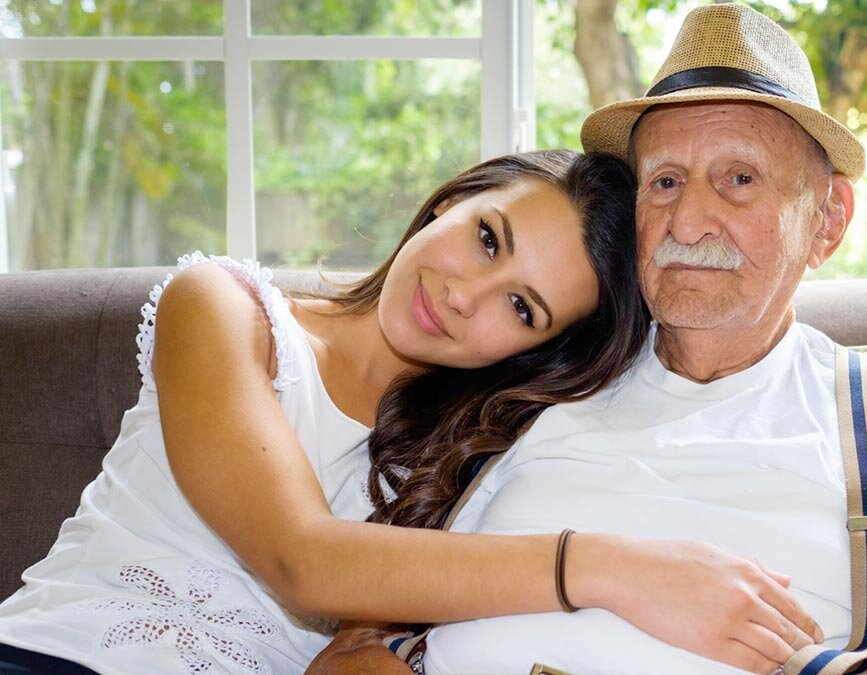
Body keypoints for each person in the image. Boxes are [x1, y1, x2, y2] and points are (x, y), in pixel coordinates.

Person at [312, 4, 867, 675]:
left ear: (826, 220)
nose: (689, 222)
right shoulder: (539, 376)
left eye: (738, 178)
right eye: (664, 181)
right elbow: (349, 655)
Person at [0, 150, 818, 674]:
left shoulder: (471, 464)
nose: (465, 295)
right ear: (446, 205)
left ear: (530, 352)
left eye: (522, 308)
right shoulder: (222, 307)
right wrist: (615, 566)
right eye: (488, 239)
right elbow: (301, 558)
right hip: (52, 656)